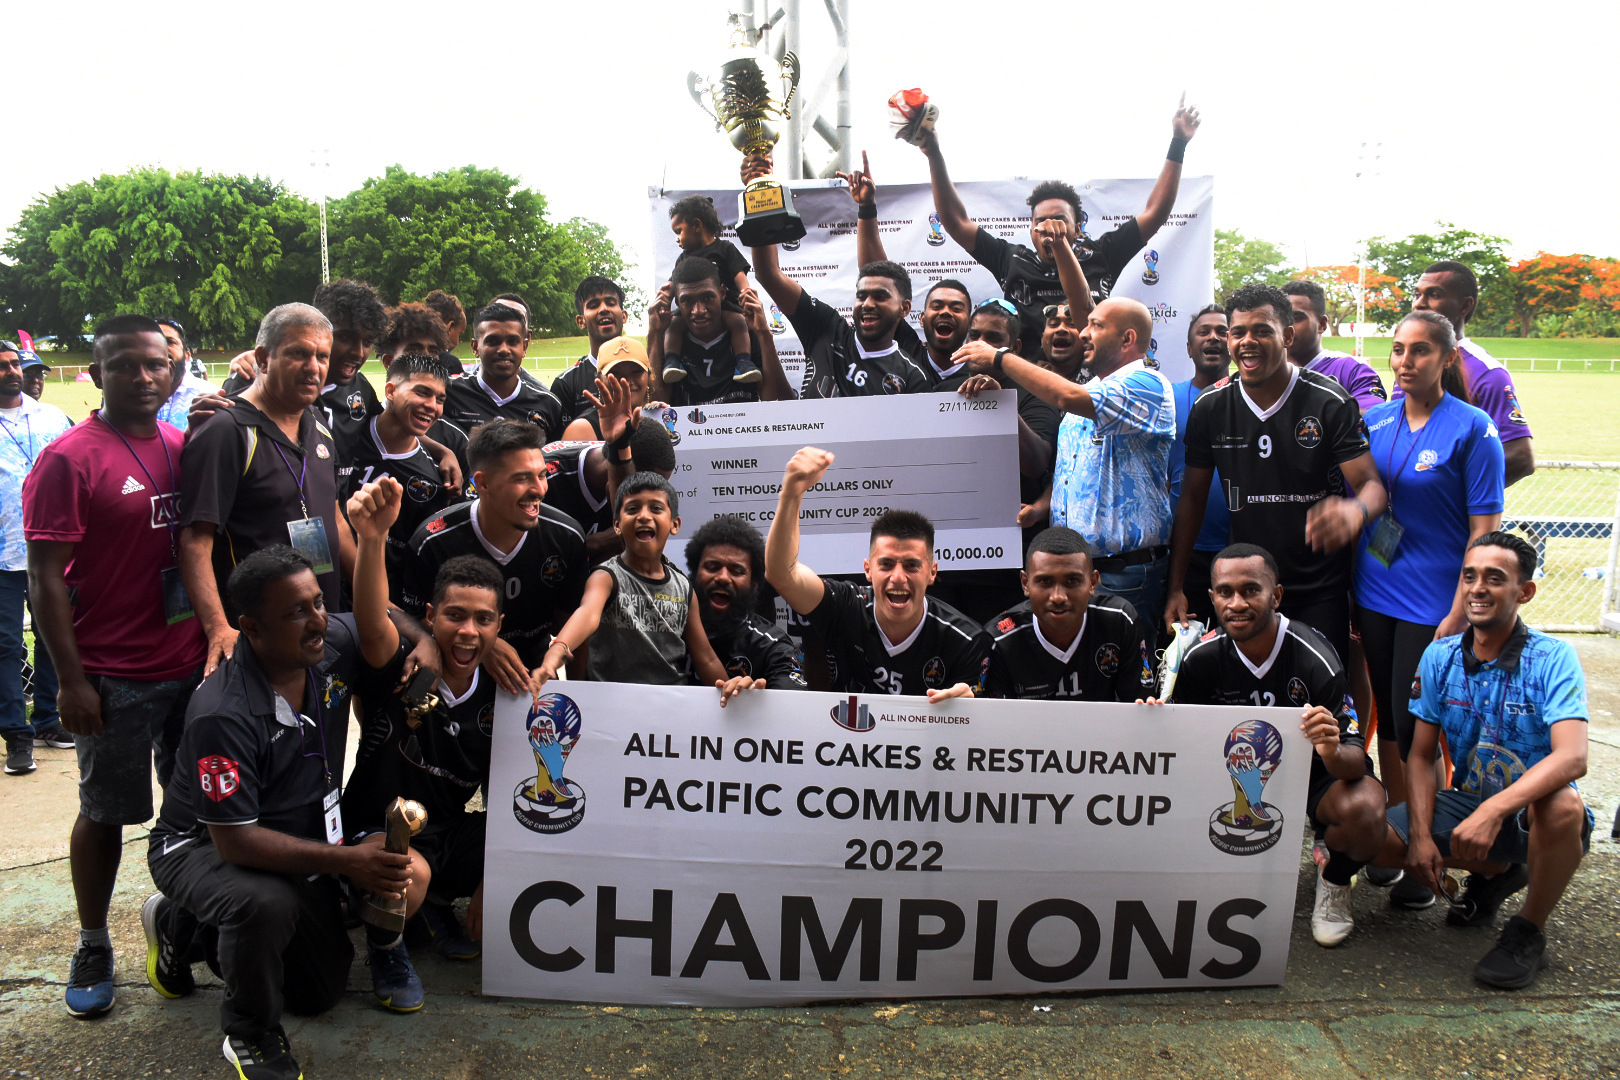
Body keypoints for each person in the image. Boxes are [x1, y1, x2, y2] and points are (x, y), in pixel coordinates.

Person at [142, 547, 413, 1079]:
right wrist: (349, 862)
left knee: (318, 992)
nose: (317, 620)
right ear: (251, 628)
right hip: (202, 844)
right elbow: (236, 843)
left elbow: (377, 616)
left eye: (317, 602)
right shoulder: (223, 712)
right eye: (296, 612)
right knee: (263, 904)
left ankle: (188, 928)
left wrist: (422, 642)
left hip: (289, 835)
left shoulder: (324, 643)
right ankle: (249, 1031)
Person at [23, 316, 207, 1018]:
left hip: (189, 666)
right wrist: (70, 680)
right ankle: (93, 939)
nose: (143, 377)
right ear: (95, 374)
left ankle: (181, 923)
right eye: (125, 366)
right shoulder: (70, 458)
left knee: (193, 809)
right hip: (110, 674)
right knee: (105, 813)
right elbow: (44, 580)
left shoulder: (181, 445)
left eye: (156, 365)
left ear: (173, 370)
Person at [1375, 532, 1593, 989]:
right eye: (1469, 576)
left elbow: (1573, 757)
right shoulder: (1439, 656)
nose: (1477, 588)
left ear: (1524, 592)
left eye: (1495, 579)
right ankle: (1496, 873)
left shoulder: (1554, 658)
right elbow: (1420, 754)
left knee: (1563, 806)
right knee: (1369, 838)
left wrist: (1495, 811)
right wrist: (1418, 837)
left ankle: (1528, 930)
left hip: (1532, 813)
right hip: (1469, 801)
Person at [1168, 544, 1388, 948]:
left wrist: (1330, 749)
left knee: (1367, 812)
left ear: (1277, 596)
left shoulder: (1315, 658)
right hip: (1235, 782)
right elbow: (1178, 749)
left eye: (1251, 590)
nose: (1237, 603)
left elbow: (1356, 761)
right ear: (1212, 597)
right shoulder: (1198, 660)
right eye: (1225, 592)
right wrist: (1153, 717)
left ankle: (1334, 880)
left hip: (1311, 777)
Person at [1166, 284, 1389, 666]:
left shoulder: (1329, 401)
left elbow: (1372, 486)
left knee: (1320, 708)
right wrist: (1176, 586)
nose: (1247, 341)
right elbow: (1192, 498)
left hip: (1319, 587)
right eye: (1238, 332)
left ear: (1286, 336)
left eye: (1262, 330)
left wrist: (1354, 512)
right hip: (1245, 590)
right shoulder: (1211, 407)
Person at [347, 481, 504, 988]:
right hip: (376, 833)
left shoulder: (505, 696)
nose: (468, 632)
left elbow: (513, 799)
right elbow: (373, 621)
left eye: (483, 620)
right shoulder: (406, 666)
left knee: (532, 837)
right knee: (405, 877)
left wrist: (494, 881)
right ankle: (387, 950)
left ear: (499, 626)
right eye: (455, 616)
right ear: (431, 617)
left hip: (444, 834)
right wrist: (373, 539)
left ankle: (431, 907)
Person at [1355, 311, 1504, 832]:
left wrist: (1462, 609)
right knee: (1390, 722)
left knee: (1418, 722)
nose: (1405, 361)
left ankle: (1426, 839)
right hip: (1374, 590)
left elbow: (1484, 534)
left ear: (1447, 358)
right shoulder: (1374, 421)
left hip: (1434, 602)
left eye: (1420, 350)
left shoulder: (1473, 428)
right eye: (1398, 349)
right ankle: (1398, 829)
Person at [921, 97, 1201, 356]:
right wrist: (933, 151)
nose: (1048, 227)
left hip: (1087, 381)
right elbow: (956, 222)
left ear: (1078, 229)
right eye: (1039, 221)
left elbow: (1155, 213)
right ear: (1030, 230)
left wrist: (1178, 143)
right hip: (1029, 384)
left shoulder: (1101, 253)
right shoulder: (1011, 258)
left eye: (1059, 220)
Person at [960, 296, 1176, 628]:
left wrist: (1000, 358)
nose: (1083, 333)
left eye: (1096, 325)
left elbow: (1066, 396)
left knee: (1123, 674)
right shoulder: (1091, 388)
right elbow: (1072, 466)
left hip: (1124, 573)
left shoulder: (1148, 384)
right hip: (1073, 572)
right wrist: (1040, 508)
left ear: (1128, 339)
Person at [180, 303, 348, 678]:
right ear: (263, 358)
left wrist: (379, 595)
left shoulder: (316, 423)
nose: (314, 366)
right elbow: (195, 541)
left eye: (322, 356)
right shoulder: (226, 431)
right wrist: (218, 628)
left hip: (320, 626)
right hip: (261, 637)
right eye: (298, 353)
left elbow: (333, 515)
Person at [765, 447, 990, 701]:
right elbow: (782, 574)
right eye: (886, 564)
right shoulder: (846, 605)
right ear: (868, 570)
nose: (898, 577)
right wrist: (791, 494)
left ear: (932, 572)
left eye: (911, 565)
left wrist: (970, 712)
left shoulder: (967, 641)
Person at [530, 472, 761, 699]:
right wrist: (558, 649)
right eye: (632, 509)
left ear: (675, 524)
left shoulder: (684, 588)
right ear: (617, 524)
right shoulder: (607, 576)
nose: (643, 516)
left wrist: (731, 692)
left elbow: (706, 658)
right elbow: (587, 613)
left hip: (667, 707)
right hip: (611, 705)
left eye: (656, 508)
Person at [400, 418, 587, 671]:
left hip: (531, 676)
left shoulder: (567, 537)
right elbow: (409, 616)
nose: (540, 490)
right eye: (522, 479)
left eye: (542, 475)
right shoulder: (432, 541)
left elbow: (570, 621)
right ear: (483, 483)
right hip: (455, 671)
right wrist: (485, 643)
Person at [745, 155, 931, 400]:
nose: (868, 304)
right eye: (861, 295)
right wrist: (759, 194)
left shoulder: (913, 374)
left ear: (904, 309)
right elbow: (768, 274)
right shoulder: (826, 327)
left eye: (881, 296)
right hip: (807, 440)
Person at [1, 340, 75, 775]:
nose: (13, 372)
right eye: (4, 366)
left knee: (53, 635)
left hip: (53, 550)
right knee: (7, 646)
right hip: (4, 555)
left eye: (16, 364)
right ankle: (16, 733)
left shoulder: (51, 417)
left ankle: (48, 718)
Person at [838, 152, 974, 387]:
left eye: (956, 308)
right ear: (920, 319)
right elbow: (877, 275)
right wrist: (867, 207)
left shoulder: (980, 375)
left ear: (970, 323)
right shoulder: (909, 351)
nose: (945, 313)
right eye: (937, 306)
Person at [224, 280, 391, 468]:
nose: (359, 353)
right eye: (345, 337)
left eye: (368, 342)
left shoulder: (361, 389)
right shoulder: (252, 378)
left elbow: (393, 431)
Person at [983, 527, 1154, 701]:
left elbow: (1138, 704)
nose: (1058, 597)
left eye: (1072, 581)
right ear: (1025, 583)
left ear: (1093, 582)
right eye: (1044, 581)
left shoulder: (1119, 620)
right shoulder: (1000, 639)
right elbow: (998, 722)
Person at [1409, 260, 1535, 485]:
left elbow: (1520, 457)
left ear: (1464, 306)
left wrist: (1453, 496)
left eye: (1434, 295)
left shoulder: (1488, 373)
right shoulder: (1408, 364)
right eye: (1417, 294)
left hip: (1447, 518)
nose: (1419, 303)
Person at [341, 354, 457, 581]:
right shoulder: (348, 433)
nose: (432, 406)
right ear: (391, 391)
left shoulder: (431, 483)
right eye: (422, 392)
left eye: (440, 399)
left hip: (377, 595)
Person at [647, 261, 796, 407]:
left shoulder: (746, 334)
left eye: (708, 298)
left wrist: (764, 333)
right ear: (677, 303)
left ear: (722, 293)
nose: (698, 310)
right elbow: (656, 405)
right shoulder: (668, 340)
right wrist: (654, 333)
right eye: (687, 301)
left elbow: (777, 404)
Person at [684, 517, 807, 689]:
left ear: (754, 584)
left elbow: (795, 702)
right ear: (694, 573)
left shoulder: (771, 645)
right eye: (712, 567)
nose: (723, 578)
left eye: (737, 571)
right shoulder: (669, 628)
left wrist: (758, 700)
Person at [1167, 305, 1232, 626]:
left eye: (1223, 331)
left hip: (1239, 550)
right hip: (1183, 553)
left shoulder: (1252, 400)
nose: (1214, 338)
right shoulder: (1168, 399)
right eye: (1204, 332)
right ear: (1190, 347)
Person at [543, 413, 677, 561]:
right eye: (648, 486)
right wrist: (598, 543)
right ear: (623, 470)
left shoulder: (620, 450)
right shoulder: (542, 479)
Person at [660, 196, 759, 386]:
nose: (677, 238)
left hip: (726, 305)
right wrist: (664, 297)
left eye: (679, 231)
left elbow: (739, 275)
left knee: (739, 323)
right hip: (692, 308)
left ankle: (744, 362)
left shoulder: (725, 248)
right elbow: (674, 284)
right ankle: (673, 360)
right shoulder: (683, 258)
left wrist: (746, 293)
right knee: (674, 325)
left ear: (697, 225)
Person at [441, 303, 564, 440]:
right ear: (475, 347)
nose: (504, 350)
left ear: (524, 347)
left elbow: (556, 457)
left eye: (512, 341)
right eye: (493, 341)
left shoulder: (548, 404)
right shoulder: (448, 393)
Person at [1282, 280, 1387, 413]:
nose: (1287, 327)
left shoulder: (1354, 371)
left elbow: (1374, 420)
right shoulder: (1262, 373)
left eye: (1296, 318)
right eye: (1281, 319)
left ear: (1322, 324)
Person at [550, 277, 633, 421]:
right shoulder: (566, 384)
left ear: (624, 316)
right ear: (581, 321)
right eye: (593, 305)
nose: (604, 309)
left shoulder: (644, 372)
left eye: (611, 303)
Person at [561, 336, 654, 441]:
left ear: (649, 376)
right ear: (599, 379)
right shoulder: (581, 429)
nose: (626, 381)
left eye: (636, 371)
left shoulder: (658, 418)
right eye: (615, 373)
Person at [154, 317, 219, 433]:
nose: (161, 347)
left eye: (170, 342)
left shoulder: (210, 396)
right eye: (154, 341)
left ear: (187, 356)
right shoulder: (129, 400)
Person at [421, 289, 467, 375]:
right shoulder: (451, 363)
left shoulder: (413, 358)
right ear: (450, 327)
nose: (458, 342)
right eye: (459, 334)